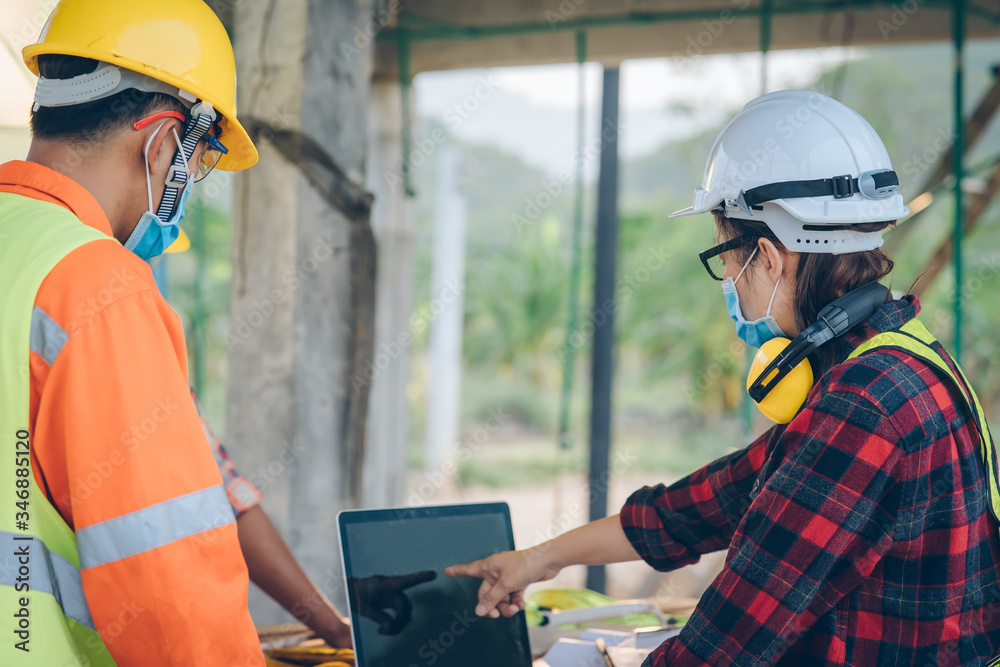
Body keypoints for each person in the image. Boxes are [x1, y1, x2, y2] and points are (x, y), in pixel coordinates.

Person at [447, 90, 1000, 665]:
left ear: (766, 257)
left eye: (726, 261)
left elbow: (724, 646)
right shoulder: (903, 359)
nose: (729, 285)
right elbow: (703, 505)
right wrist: (540, 557)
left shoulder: (863, 406)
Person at [0, 0, 266, 663]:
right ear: (164, 140)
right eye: (201, 160)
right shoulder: (96, 284)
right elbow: (171, 587)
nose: (191, 181)